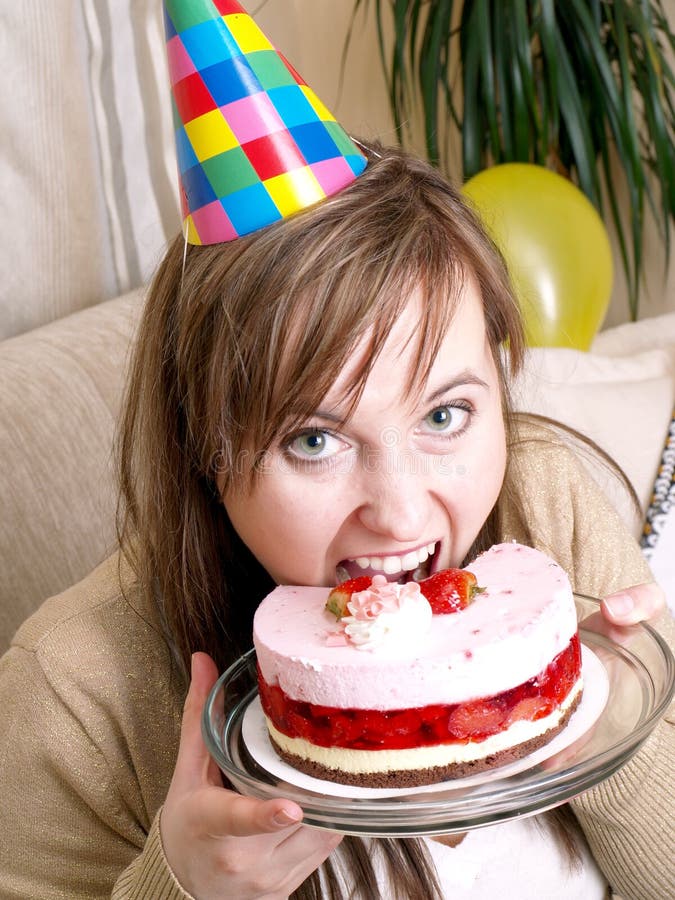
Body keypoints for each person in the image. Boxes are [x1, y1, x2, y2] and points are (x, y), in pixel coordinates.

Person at [0, 140, 671, 900]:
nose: (401, 514)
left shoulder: (543, 503)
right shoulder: (70, 692)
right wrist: (182, 886)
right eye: (314, 441)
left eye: (445, 414)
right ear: (203, 450)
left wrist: (615, 743)